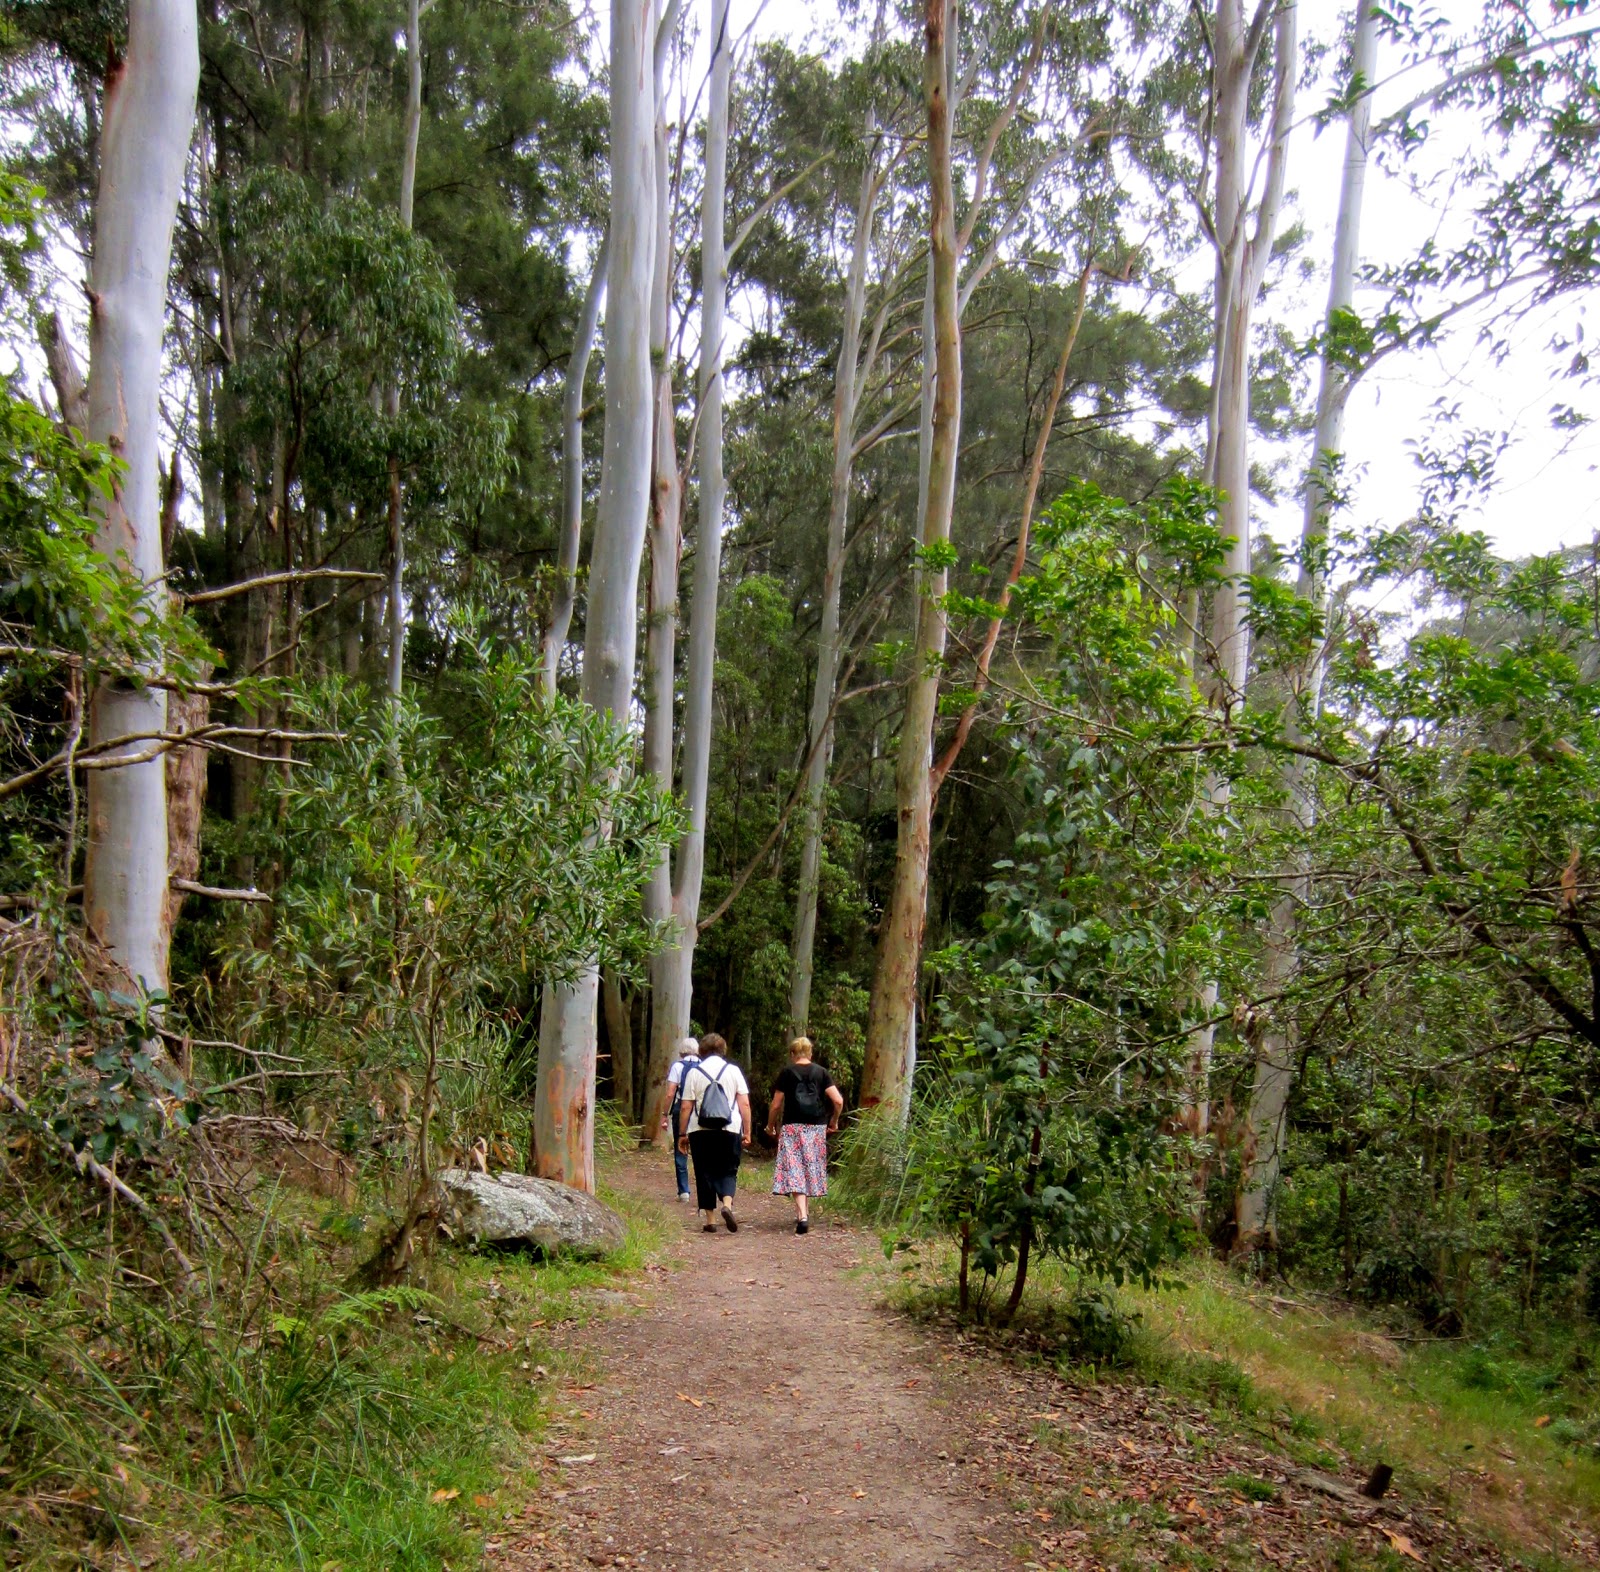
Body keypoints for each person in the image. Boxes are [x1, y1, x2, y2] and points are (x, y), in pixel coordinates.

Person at [766, 1036, 844, 1235]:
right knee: (808, 1167)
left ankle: (802, 1216)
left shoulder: (787, 1073)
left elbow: (776, 1104)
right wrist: (834, 1121)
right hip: (816, 1127)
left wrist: (770, 1125)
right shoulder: (821, 1072)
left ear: (792, 1054)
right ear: (810, 1053)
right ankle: (803, 1213)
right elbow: (838, 1101)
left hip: (792, 1126)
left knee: (795, 1168)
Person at [676, 1032, 751, 1233]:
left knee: (704, 1171)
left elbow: (685, 1106)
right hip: (730, 1128)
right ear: (723, 1050)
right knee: (728, 1168)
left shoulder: (694, 1072)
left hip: (700, 1130)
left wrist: (682, 1134)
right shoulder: (733, 1071)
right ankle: (727, 1203)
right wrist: (747, 1130)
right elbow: (744, 1103)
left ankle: (710, 1220)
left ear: (702, 1051)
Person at [663, 1037, 702, 1202]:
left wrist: (665, 1114)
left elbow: (670, 1092)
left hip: (681, 1110)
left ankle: (684, 1191)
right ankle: (704, 1190)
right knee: (701, 1150)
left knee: (681, 1148)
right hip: (701, 1111)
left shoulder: (677, 1066)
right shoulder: (703, 1066)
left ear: (682, 1051)